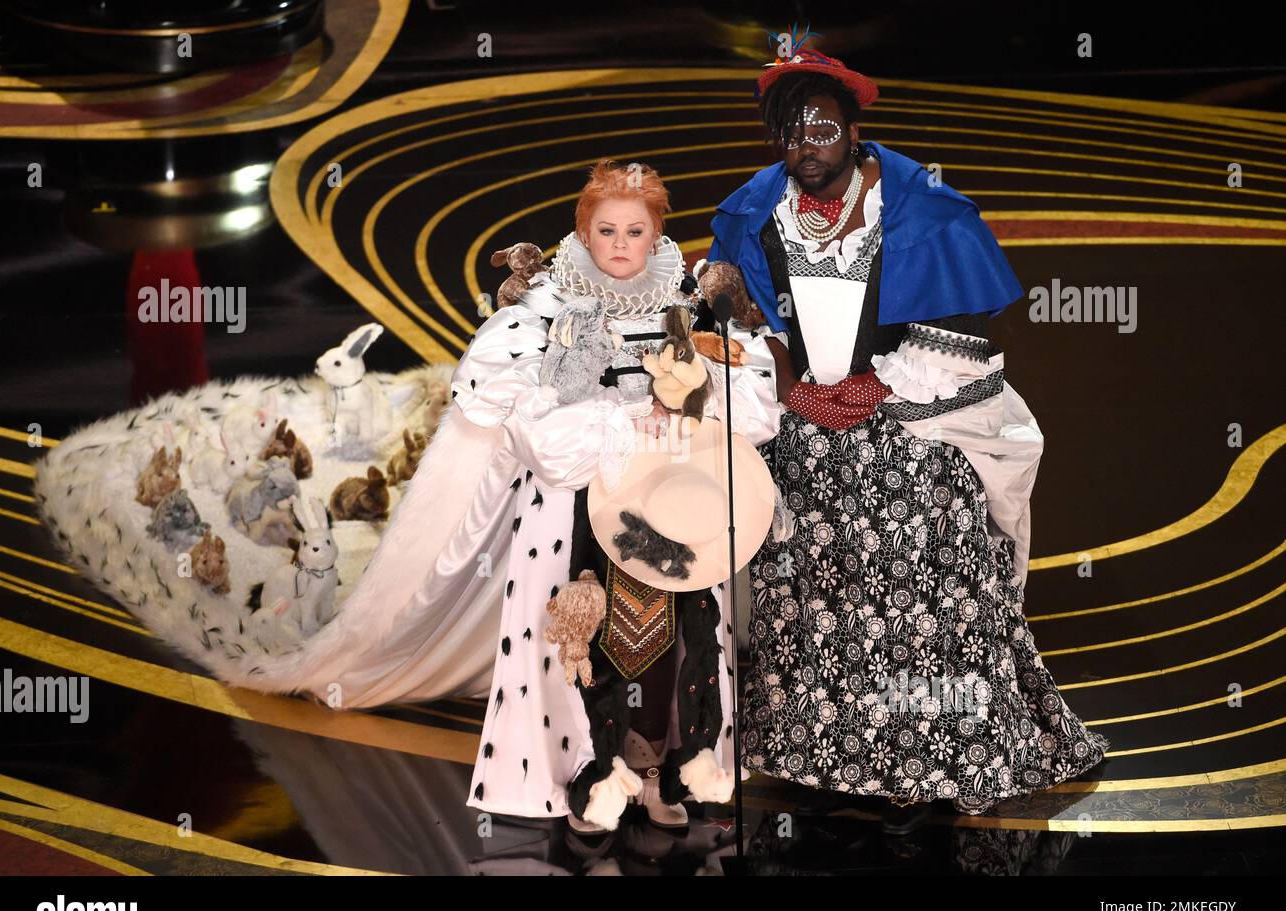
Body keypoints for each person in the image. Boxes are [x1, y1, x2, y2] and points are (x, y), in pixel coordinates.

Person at [707, 41, 1109, 832]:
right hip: (806, 431)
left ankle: (946, 753)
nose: (805, 145)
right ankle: (827, 756)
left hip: (913, 425)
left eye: (821, 128)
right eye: (790, 132)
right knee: (806, 580)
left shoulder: (921, 205)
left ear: (853, 129)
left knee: (934, 566)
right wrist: (791, 388)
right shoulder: (755, 213)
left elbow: (957, 330)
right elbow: (740, 322)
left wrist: (877, 386)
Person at [453, 158, 784, 833]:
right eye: (606, 230)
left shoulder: (686, 296)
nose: (621, 244)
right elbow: (516, 406)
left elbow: (748, 397)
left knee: (677, 627)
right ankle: (590, 764)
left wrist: (692, 402)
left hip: (674, 492)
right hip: (578, 495)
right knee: (584, 628)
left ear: (656, 232)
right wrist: (618, 419)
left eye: (636, 230)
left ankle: (664, 763)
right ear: (584, 231)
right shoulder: (552, 299)